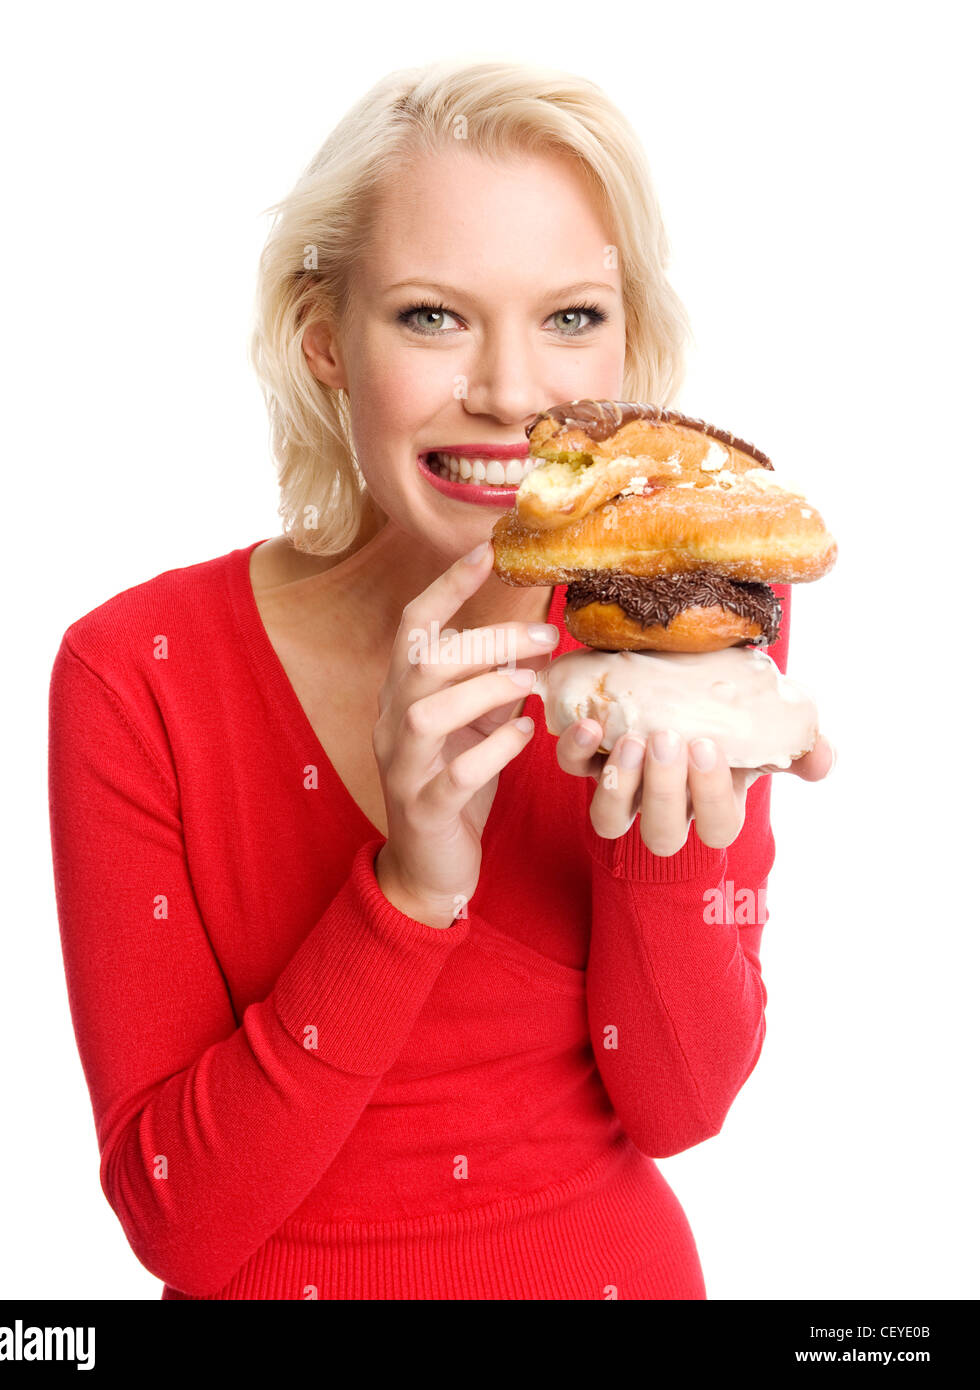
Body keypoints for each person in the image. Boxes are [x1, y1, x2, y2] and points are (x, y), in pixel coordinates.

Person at [47, 57, 835, 1301]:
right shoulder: (137, 671)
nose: (514, 394)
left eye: (571, 317)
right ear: (322, 341)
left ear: (630, 338)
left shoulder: (697, 624)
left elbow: (680, 1105)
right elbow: (175, 1220)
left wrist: (672, 840)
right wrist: (409, 890)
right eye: (431, 316)